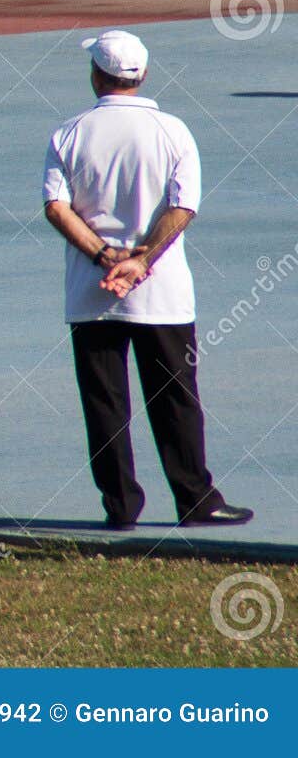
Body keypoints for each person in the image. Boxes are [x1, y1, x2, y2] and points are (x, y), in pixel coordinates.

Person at [42, 29, 251, 531]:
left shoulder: (68, 134)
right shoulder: (174, 131)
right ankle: (195, 499)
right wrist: (141, 261)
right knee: (176, 396)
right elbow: (183, 207)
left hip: (91, 295)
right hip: (163, 295)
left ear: (97, 76)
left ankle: (120, 507)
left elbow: (56, 207)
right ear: (142, 76)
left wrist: (104, 255)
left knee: (104, 402)